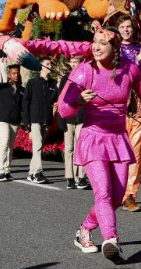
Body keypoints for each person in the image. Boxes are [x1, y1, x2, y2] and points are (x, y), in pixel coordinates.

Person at [58, 24, 141, 262]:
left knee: (117, 196)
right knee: (103, 192)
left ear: (115, 47)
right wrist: (79, 100)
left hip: (118, 138)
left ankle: (84, 229)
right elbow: (63, 110)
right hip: (92, 138)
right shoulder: (84, 71)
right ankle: (111, 239)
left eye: (103, 43)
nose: (96, 47)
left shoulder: (130, 70)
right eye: (94, 42)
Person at [113, 14, 141, 213]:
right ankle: (114, 190)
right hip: (117, 108)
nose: (126, 30)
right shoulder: (114, 49)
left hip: (139, 108)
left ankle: (129, 195)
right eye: (122, 27)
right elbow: (119, 75)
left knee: (135, 154)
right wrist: (139, 59)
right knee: (116, 154)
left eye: (129, 26)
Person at [22, 58, 58, 184]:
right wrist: (27, 122)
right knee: (37, 146)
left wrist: (58, 88)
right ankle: (37, 173)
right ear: (41, 67)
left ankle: (31, 173)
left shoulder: (53, 84)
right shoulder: (32, 82)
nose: (50, 66)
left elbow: (52, 100)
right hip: (35, 120)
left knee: (39, 147)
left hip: (47, 119)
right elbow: (25, 102)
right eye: (47, 64)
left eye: (50, 64)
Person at [58, 56, 88, 190]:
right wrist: (61, 119)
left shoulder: (86, 77)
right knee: (69, 148)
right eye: (73, 61)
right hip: (68, 117)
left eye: (77, 62)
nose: (74, 64)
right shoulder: (65, 79)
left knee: (81, 148)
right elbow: (60, 99)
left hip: (81, 117)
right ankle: (70, 177)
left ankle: (81, 177)